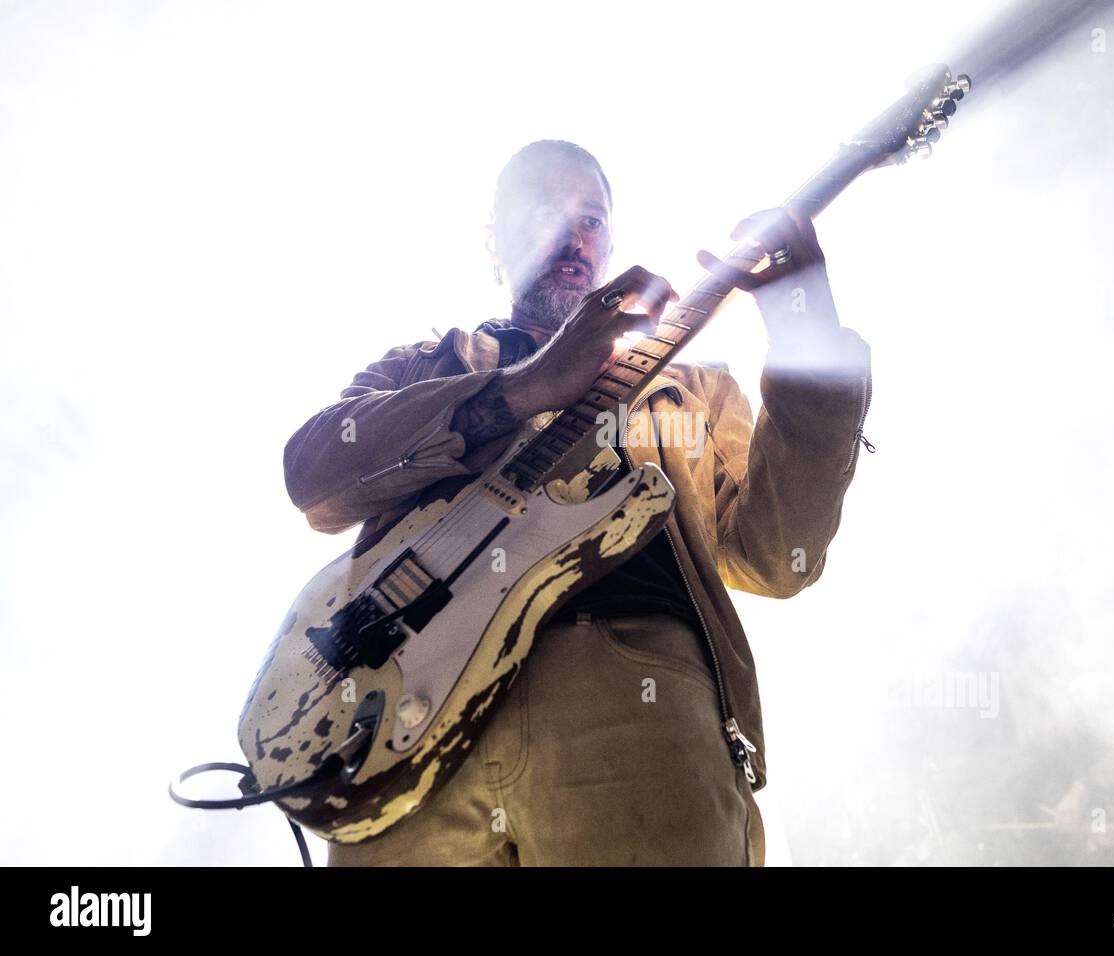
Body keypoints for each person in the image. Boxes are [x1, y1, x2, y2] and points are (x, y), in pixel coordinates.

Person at [282, 139, 873, 865]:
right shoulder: (418, 367)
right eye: (545, 212)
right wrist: (523, 389)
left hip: (635, 694)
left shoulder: (691, 392)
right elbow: (314, 477)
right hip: (405, 723)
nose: (573, 234)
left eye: (591, 218)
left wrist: (806, 331)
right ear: (495, 247)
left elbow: (780, 556)